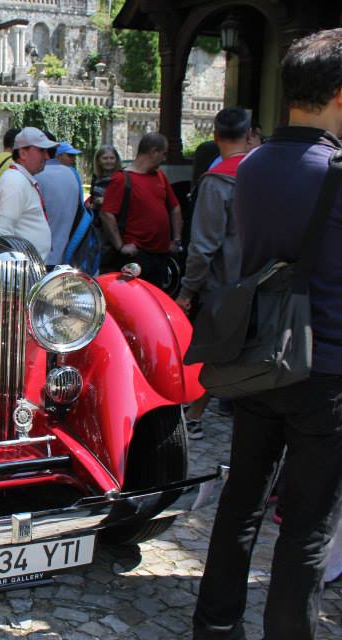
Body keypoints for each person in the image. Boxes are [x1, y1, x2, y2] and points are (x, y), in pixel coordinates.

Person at [192, 28, 342, 640]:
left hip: (259, 359)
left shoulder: (251, 166)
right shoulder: (332, 169)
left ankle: (216, 626)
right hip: (326, 365)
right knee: (306, 525)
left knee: (240, 502)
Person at [174, 107, 251, 439]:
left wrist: (188, 290)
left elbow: (203, 246)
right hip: (262, 280)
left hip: (223, 285)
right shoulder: (263, 175)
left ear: (216, 136)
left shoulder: (217, 181)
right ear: (249, 136)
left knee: (210, 351)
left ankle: (193, 414)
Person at [99, 132, 183, 285]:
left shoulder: (160, 176)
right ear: (153, 152)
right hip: (137, 255)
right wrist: (120, 246)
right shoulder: (121, 179)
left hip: (161, 255)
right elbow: (107, 214)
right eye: (163, 154)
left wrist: (176, 240)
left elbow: (175, 207)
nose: (164, 159)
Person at [0, 127, 55, 259]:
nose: (47, 156)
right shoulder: (15, 181)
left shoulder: (19, 178)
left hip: (28, 270)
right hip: (23, 273)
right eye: (41, 150)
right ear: (23, 153)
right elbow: (1, 233)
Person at [36, 140, 82, 264]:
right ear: (59, 155)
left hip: (40, 255)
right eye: (70, 156)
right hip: (63, 254)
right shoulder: (73, 175)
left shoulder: (37, 174)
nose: (73, 160)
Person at [88, 145, 121, 213]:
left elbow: (124, 199)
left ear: (116, 160)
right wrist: (89, 203)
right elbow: (93, 196)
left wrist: (105, 201)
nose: (109, 161)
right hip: (96, 218)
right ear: (98, 161)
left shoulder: (121, 177)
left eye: (112, 158)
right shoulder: (96, 176)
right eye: (105, 158)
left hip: (113, 219)